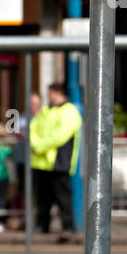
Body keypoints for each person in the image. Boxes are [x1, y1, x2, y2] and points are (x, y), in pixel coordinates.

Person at [30, 82, 82, 241]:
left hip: (59, 162)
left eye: (50, 93)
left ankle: (68, 227)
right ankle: (42, 226)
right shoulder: (46, 111)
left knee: (63, 198)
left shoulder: (70, 111)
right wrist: (37, 144)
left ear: (58, 93)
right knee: (43, 198)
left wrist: (39, 145)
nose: (48, 96)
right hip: (41, 162)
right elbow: (34, 127)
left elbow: (61, 135)